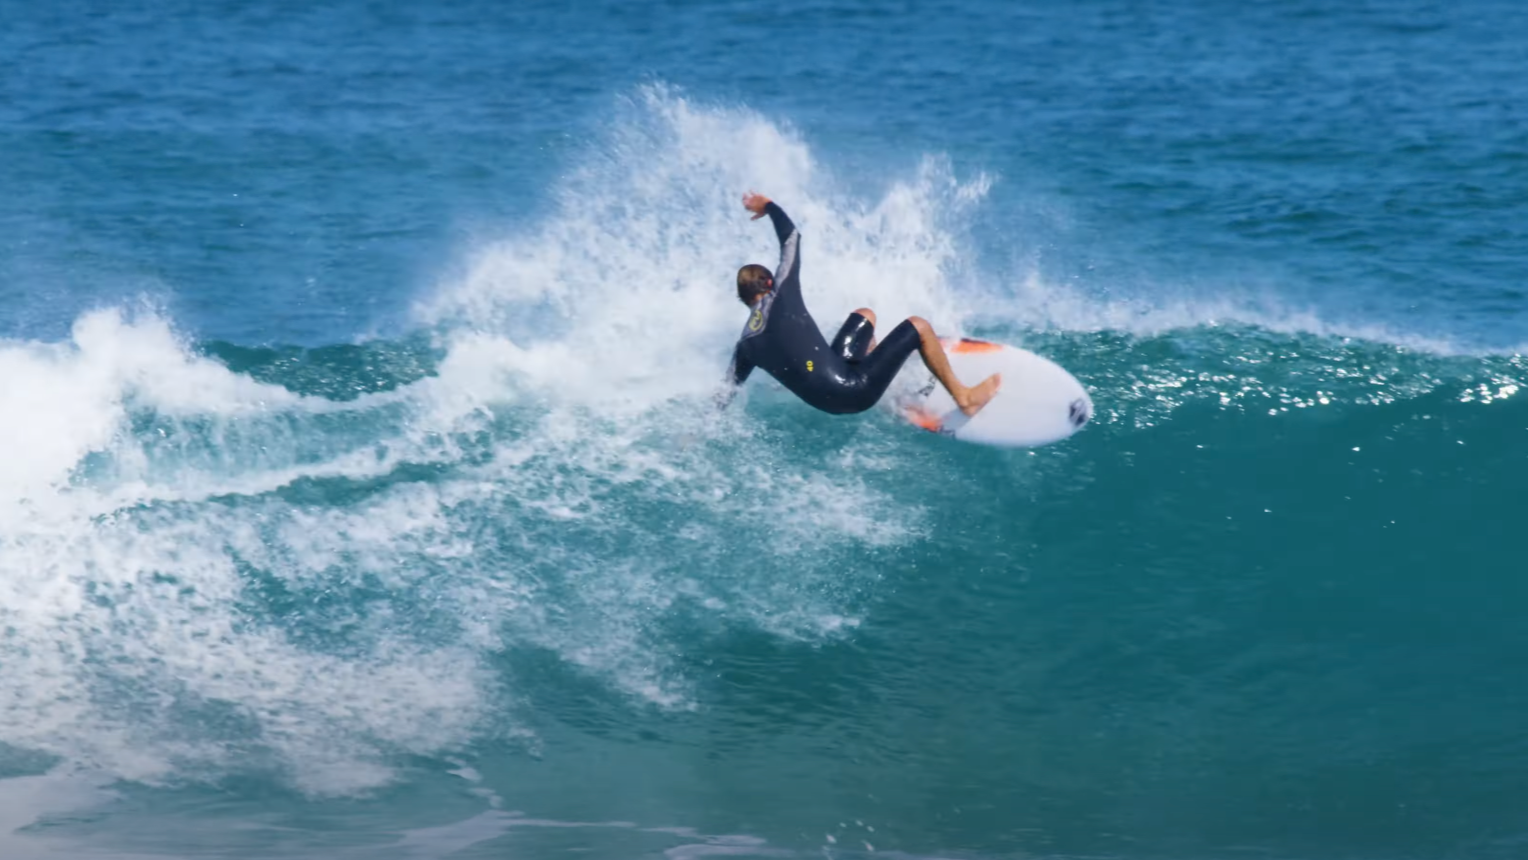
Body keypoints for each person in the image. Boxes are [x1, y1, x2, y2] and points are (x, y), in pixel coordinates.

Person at [719, 191, 1000, 416]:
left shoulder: (745, 344)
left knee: (864, 316)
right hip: (853, 392)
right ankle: (965, 397)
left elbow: (726, 393)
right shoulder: (778, 294)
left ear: (743, 299)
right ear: (769, 283)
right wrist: (768, 205)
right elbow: (791, 237)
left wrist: (694, 435)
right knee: (919, 326)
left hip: (826, 401)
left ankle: (888, 373)